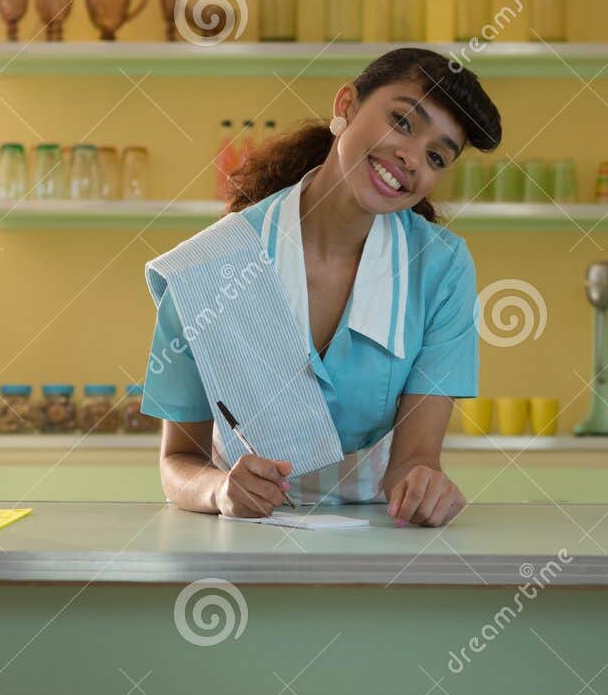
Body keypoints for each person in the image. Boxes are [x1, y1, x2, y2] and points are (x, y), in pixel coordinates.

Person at [141, 47, 503, 527]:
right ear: (346, 106)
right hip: (242, 536)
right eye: (402, 122)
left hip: (379, 537)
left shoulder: (440, 269)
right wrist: (220, 489)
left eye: (436, 156)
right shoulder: (212, 264)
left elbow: (415, 458)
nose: (412, 159)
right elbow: (178, 461)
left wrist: (423, 484)